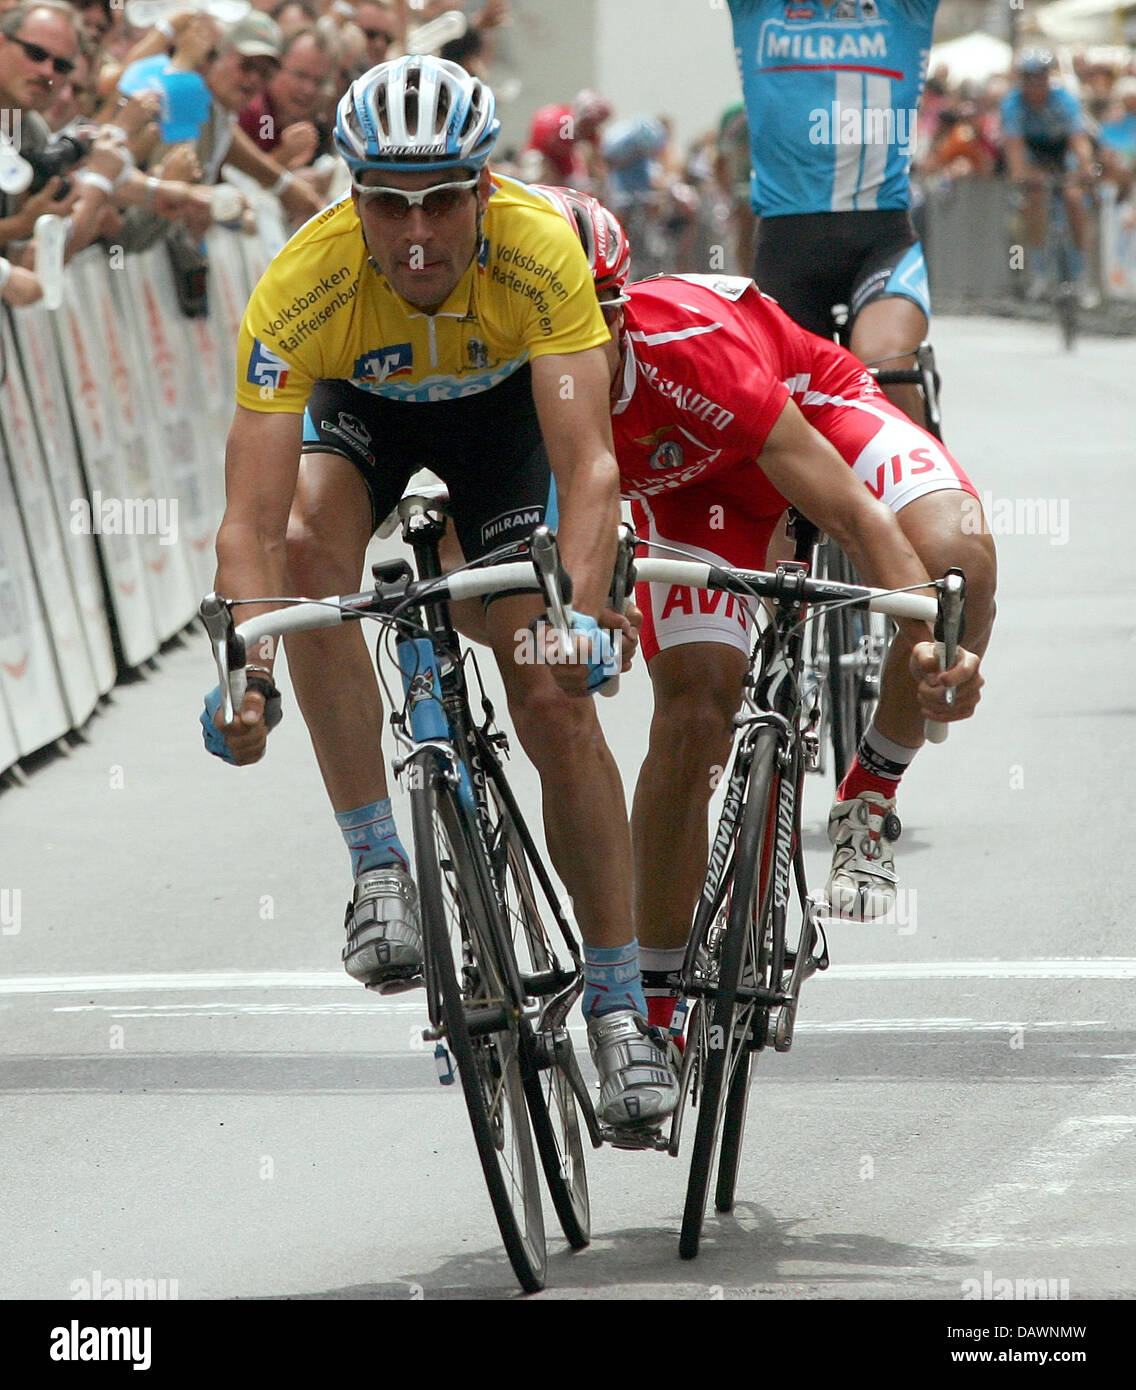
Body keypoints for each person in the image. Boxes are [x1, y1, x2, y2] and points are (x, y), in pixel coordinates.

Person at [201, 57, 679, 1138]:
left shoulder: (538, 251)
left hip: (503, 431)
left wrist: (588, 612)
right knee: (305, 546)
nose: (415, 234)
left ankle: (616, 1010)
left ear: (483, 188)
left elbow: (587, 464)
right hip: (364, 417)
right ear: (351, 196)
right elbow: (245, 520)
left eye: (441, 202)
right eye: (384, 203)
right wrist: (248, 665)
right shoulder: (302, 279)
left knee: (553, 697)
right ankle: (378, 863)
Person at [533, 188, 995, 1027]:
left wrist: (929, 636)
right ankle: (660, 1001)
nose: (584, 342)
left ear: (622, 306)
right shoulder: (516, 386)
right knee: (693, 715)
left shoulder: (684, 345)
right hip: (691, 499)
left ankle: (870, 791)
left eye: (601, 315)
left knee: (958, 556)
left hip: (806, 413)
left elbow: (856, 514)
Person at [725, 0, 938, 424]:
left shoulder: (902, 9)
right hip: (787, 250)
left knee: (886, 367)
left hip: (880, 239)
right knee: (786, 410)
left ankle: (922, 480)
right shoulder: (760, 9)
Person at [1000, 50, 1099, 306]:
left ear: (1048, 77)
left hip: (1062, 151)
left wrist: (1087, 168)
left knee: (1074, 198)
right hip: (1033, 154)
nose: (1035, 85)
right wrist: (1019, 174)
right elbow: (1014, 148)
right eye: (1029, 78)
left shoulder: (1064, 100)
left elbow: (1079, 141)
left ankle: (1080, 275)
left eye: (1040, 77)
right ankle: (1040, 273)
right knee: (1035, 196)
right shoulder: (1012, 104)